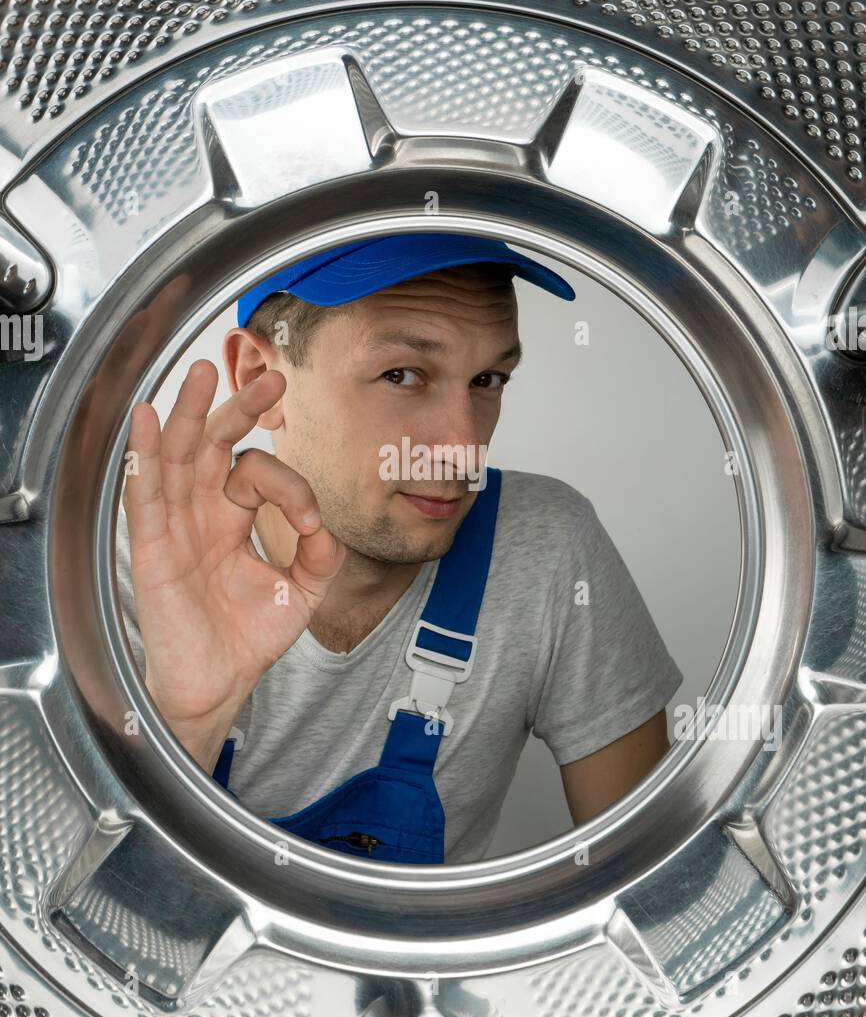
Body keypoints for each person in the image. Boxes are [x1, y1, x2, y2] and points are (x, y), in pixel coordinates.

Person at [116, 232, 683, 863]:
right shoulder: (124, 565)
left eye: (488, 378)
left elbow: (651, 890)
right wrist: (182, 724)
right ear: (261, 376)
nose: (463, 446)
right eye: (402, 374)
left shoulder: (549, 548)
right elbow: (57, 924)